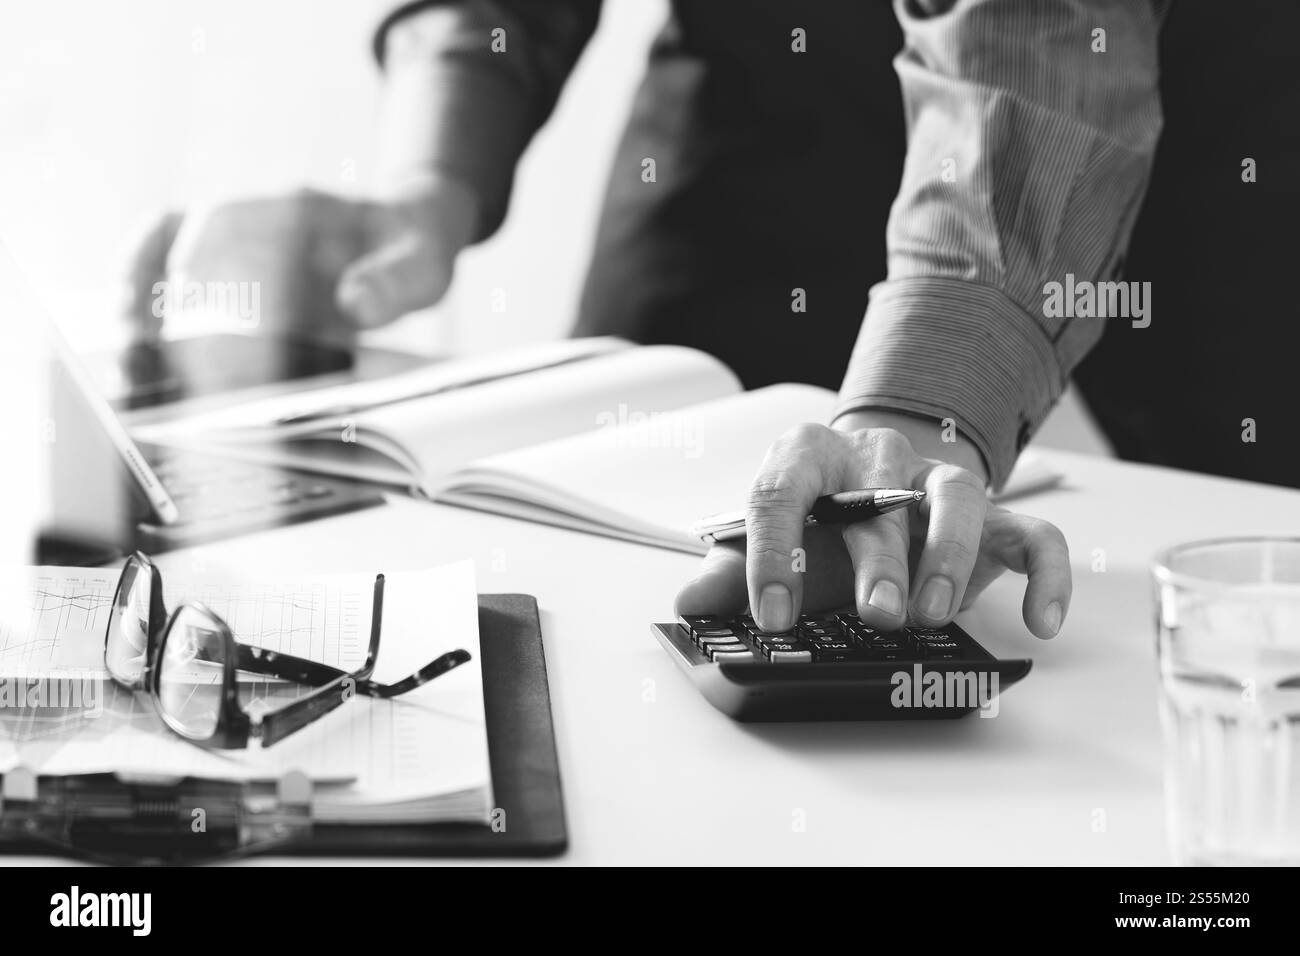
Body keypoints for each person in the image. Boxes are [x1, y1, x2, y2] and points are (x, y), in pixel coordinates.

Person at [127, 0, 1251, 643]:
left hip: (1202, 112)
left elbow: (1036, 36)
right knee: (608, 587)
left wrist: (928, 396)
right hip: (766, 85)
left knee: (1234, 605)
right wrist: (426, 181)